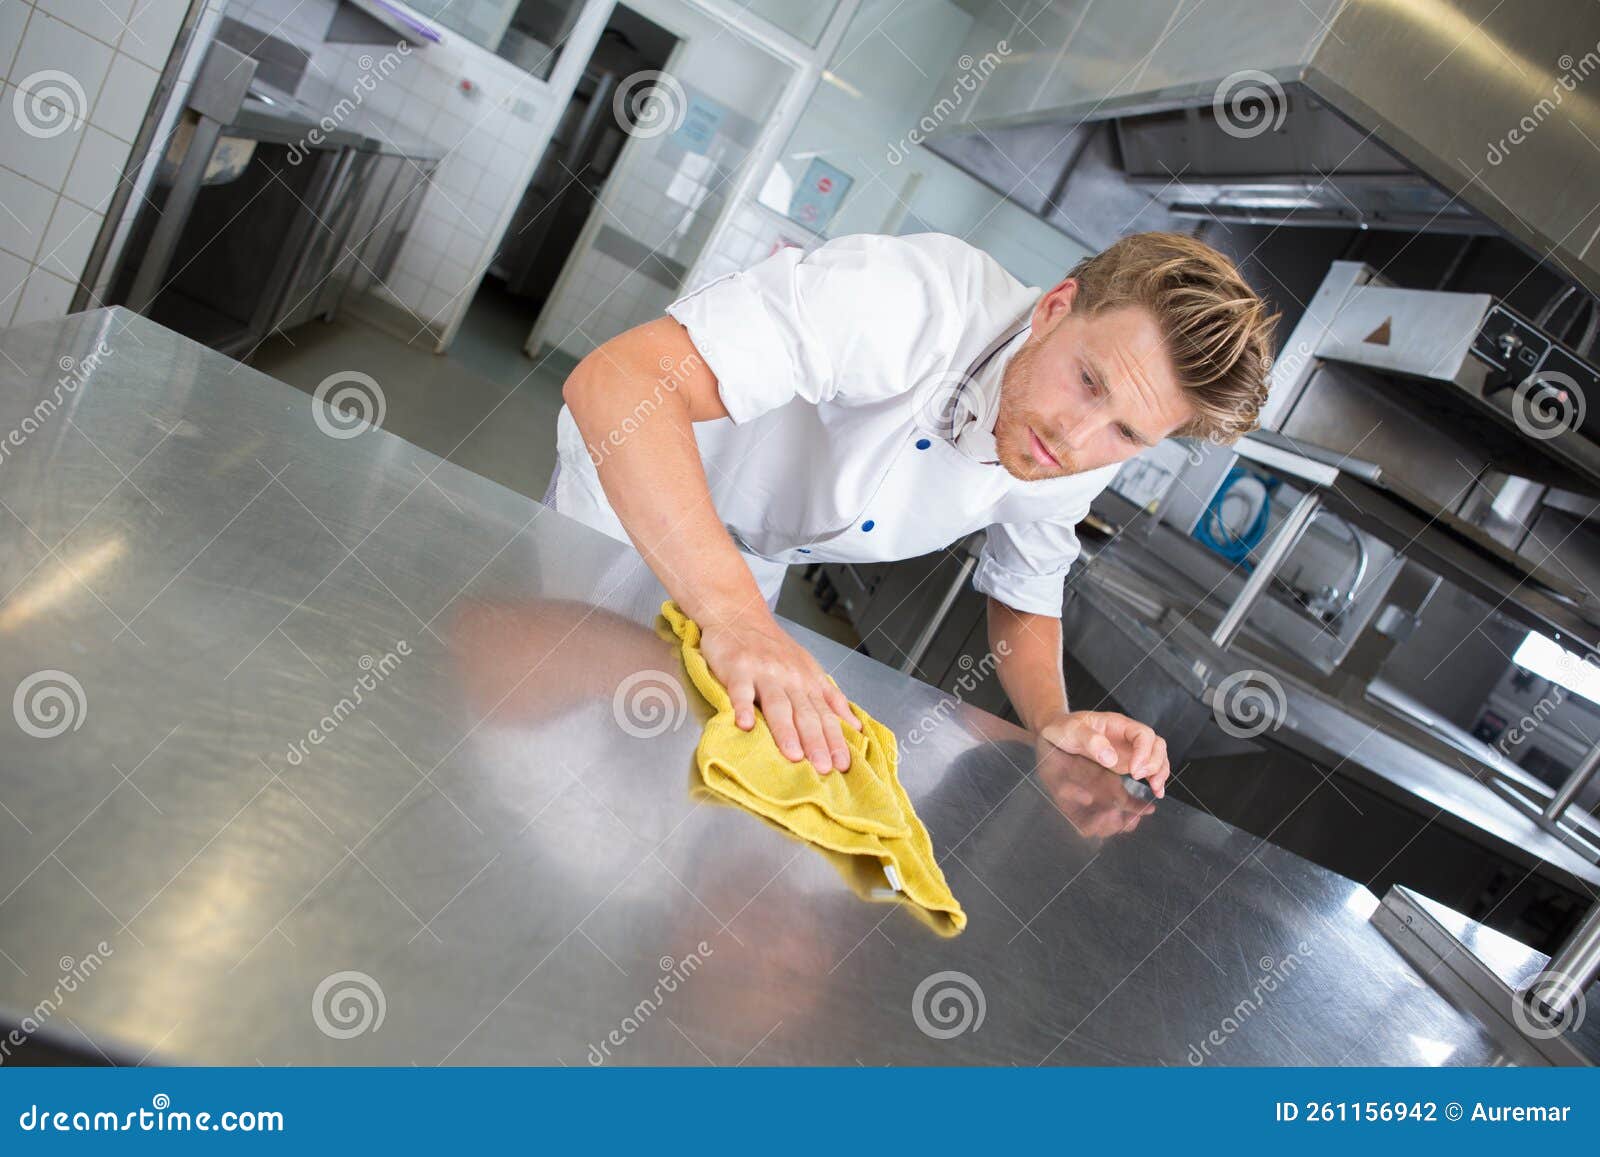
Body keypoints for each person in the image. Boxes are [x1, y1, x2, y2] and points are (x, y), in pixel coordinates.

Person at [550, 230, 1276, 791]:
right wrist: (737, 618)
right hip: (642, 494)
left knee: (653, 771)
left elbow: (1026, 591)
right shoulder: (911, 300)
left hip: (754, 570)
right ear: (1055, 308)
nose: (1076, 438)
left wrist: (1052, 720)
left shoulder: (1080, 452)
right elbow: (620, 382)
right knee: (550, 738)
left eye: (1126, 433)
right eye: (1088, 381)